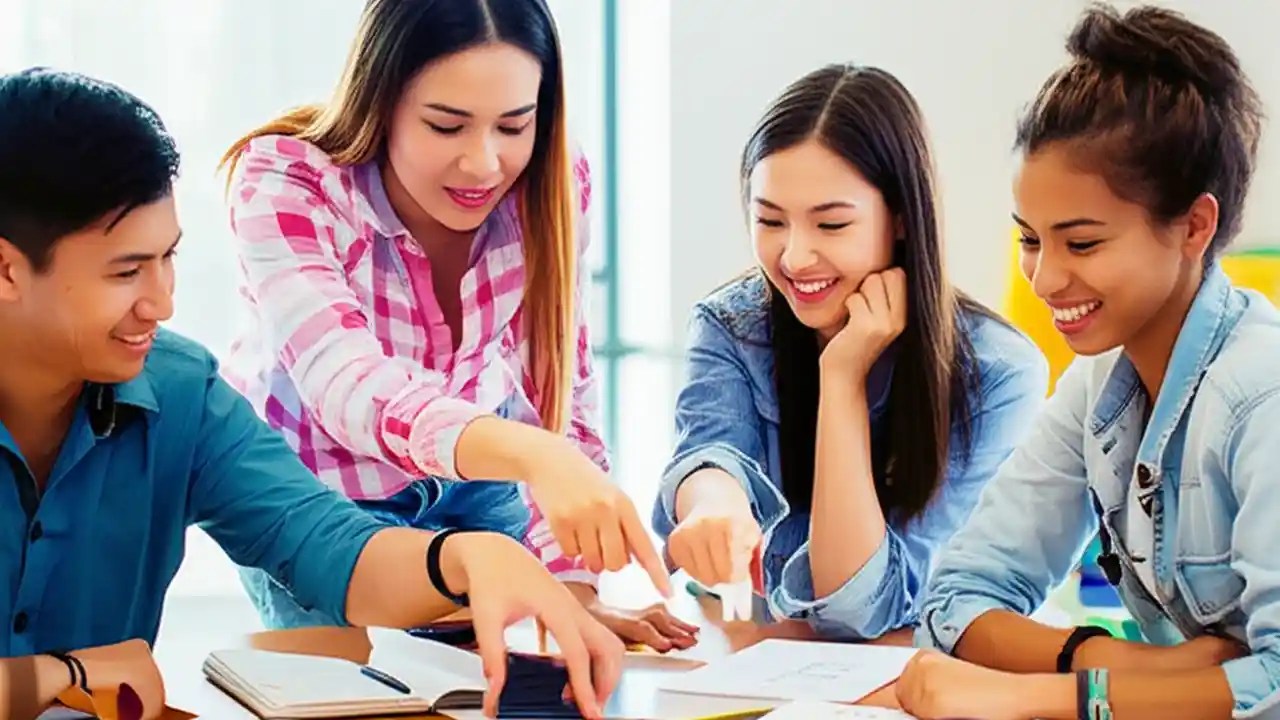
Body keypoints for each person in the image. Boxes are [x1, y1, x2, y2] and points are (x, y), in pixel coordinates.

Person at [0, 67, 622, 720]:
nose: (162, 301)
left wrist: (469, 557)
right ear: (8, 271)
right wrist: (54, 676)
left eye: (168, 259)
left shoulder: (181, 393)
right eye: (127, 272)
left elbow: (332, 549)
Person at [216, 0, 694, 653]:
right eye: (447, 126)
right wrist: (538, 455)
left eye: (513, 126)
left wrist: (572, 593)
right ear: (381, 102)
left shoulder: (552, 184)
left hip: (478, 486)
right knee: (362, 692)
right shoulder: (288, 180)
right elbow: (346, 385)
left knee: (522, 681)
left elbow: (562, 390)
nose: (484, 164)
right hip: (321, 498)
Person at [898, 6, 1279, 720]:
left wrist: (1040, 696)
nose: (1042, 281)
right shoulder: (1101, 383)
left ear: (1194, 226)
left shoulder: (1263, 395)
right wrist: (1113, 660)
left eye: (1081, 244)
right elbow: (955, 599)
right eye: (1030, 240)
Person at [651, 64, 1048, 639]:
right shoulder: (731, 327)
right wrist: (714, 505)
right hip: (755, 662)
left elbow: (860, 608)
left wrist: (842, 379)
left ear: (903, 220)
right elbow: (712, 451)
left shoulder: (999, 374)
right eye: (769, 220)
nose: (794, 257)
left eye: (831, 225)